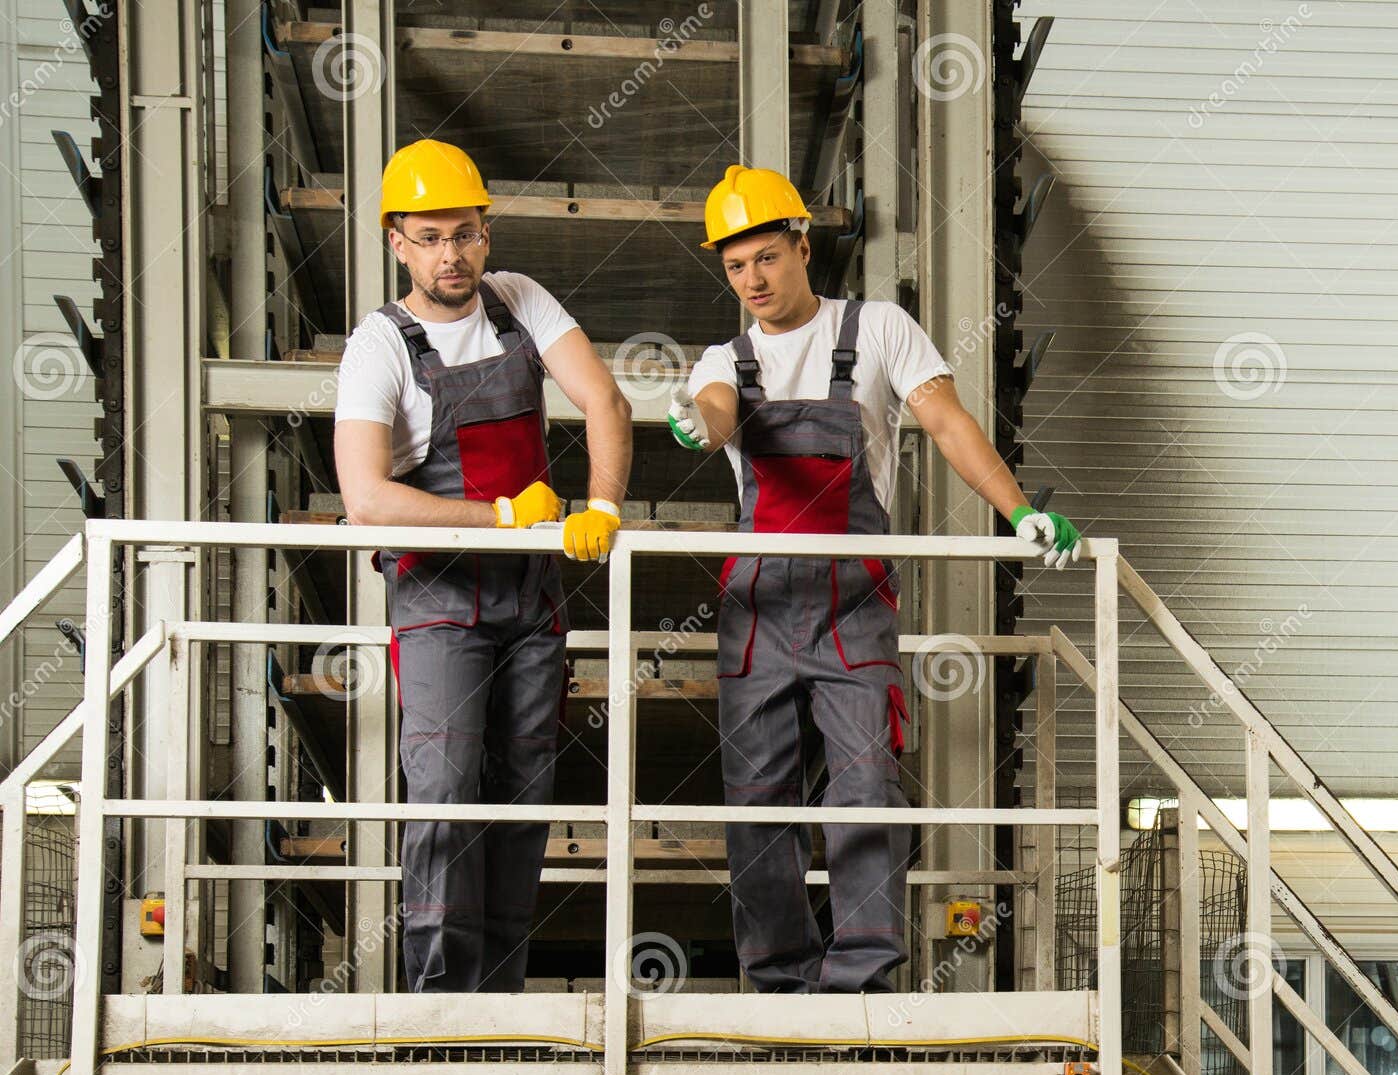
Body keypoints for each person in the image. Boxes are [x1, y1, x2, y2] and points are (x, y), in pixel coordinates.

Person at [667, 164, 1081, 994]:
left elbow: (949, 422)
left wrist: (1017, 512)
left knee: (865, 782)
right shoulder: (726, 356)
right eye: (735, 267)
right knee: (758, 799)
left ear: (800, 245)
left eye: (765, 260)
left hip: (852, 601)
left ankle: (860, 979)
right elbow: (714, 407)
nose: (752, 280)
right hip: (757, 604)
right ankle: (780, 983)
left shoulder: (878, 328)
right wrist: (696, 420)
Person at [334, 139, 632, 992]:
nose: (450, 255)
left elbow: (605, 401)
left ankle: (499, 999)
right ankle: (440, 1002)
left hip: (532, 604)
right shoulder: (378, 347)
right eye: (429, 238)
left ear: (486, 233)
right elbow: (367, 498)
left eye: (464, 234)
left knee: (524, 793)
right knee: (444, 786)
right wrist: (500, 517)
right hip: (437, 601)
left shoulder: (519, 303)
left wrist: (603, 505)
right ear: (397, 241)